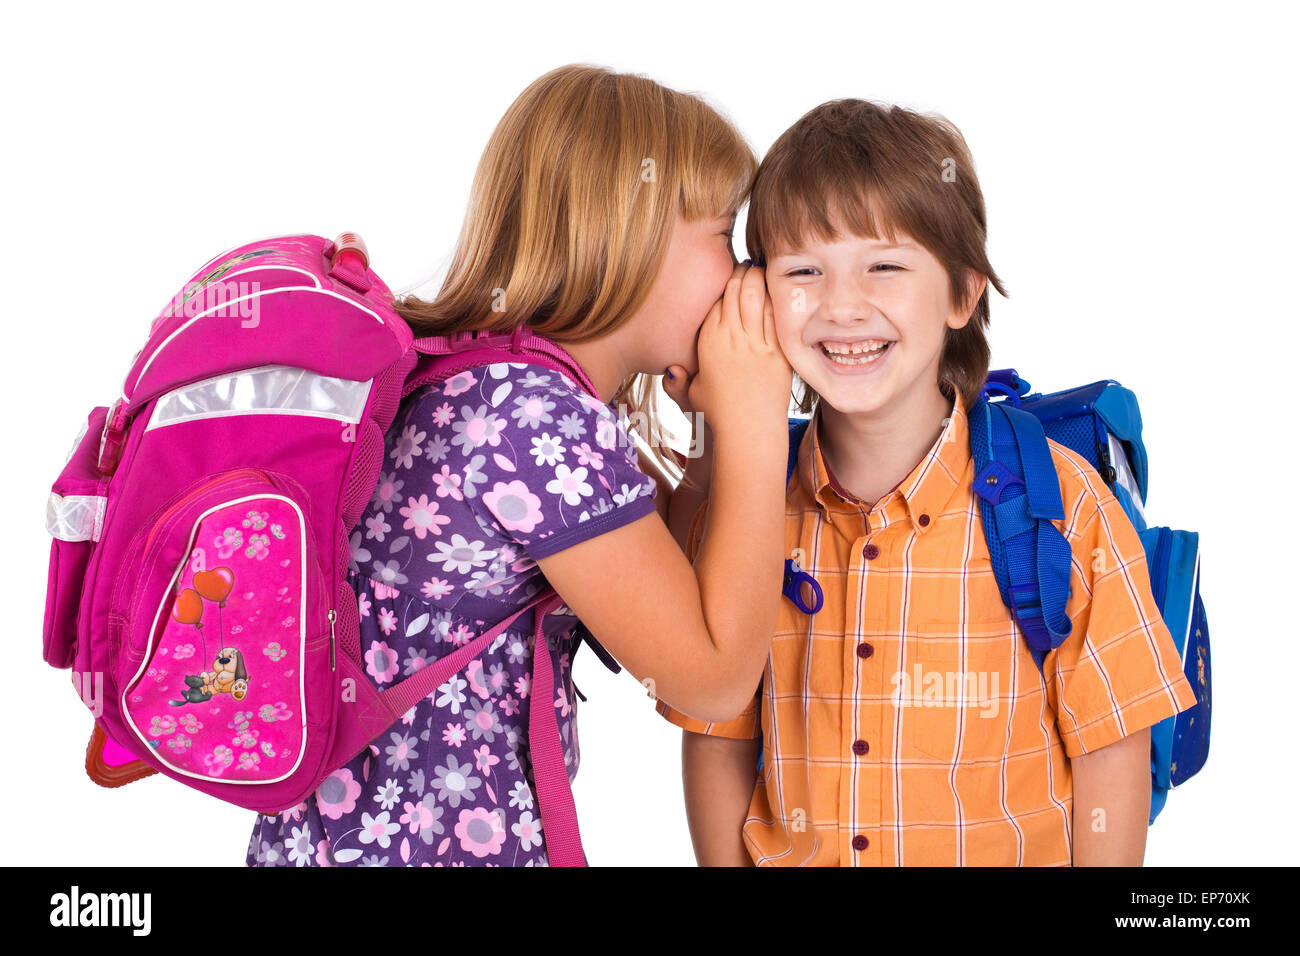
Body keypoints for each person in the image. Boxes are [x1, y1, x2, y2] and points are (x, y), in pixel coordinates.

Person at [246, 64, 792, 866]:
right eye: (725, 237)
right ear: (630, 233)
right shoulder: (534, 422)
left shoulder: (486, 381)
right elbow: (710, 679)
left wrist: (714, 433)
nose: (747, 276)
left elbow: (674, 582)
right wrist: (756, 425)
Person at [657, 98, 1198, 866]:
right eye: (803, 270)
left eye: (885, 265)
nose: (843, 305)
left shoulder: (1065, 507)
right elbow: (717, 743)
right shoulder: (747, 512)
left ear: (962, 293)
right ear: (757, 297)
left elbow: (1111, 750)